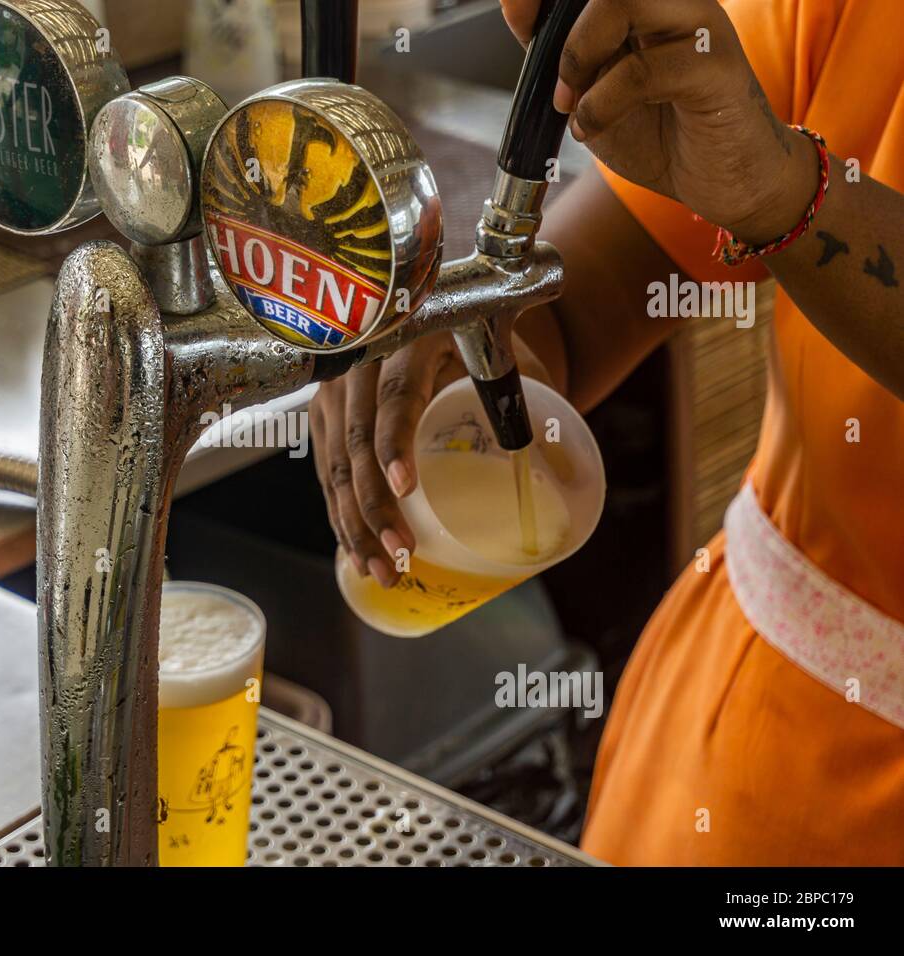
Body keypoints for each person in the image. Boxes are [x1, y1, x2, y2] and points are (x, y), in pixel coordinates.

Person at [309, 0, 904, 865]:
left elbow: (767, 182)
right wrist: (468, 351)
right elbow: (597, 296)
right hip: (758, 755)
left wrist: (787, 196)